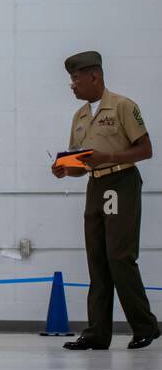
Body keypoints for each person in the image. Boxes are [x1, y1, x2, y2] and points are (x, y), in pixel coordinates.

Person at [54, 50, 158, 350]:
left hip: (120, 182)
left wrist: (108, 157)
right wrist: (66, 170)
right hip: (95, 186)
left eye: (75, 79)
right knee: (97, 260)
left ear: (94, 76)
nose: (72, 85)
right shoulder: (80, 116)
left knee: (119, 257)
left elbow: (145, 149)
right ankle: (97, 333)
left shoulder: (123, 106)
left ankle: (145, 326)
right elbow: (80, 164)